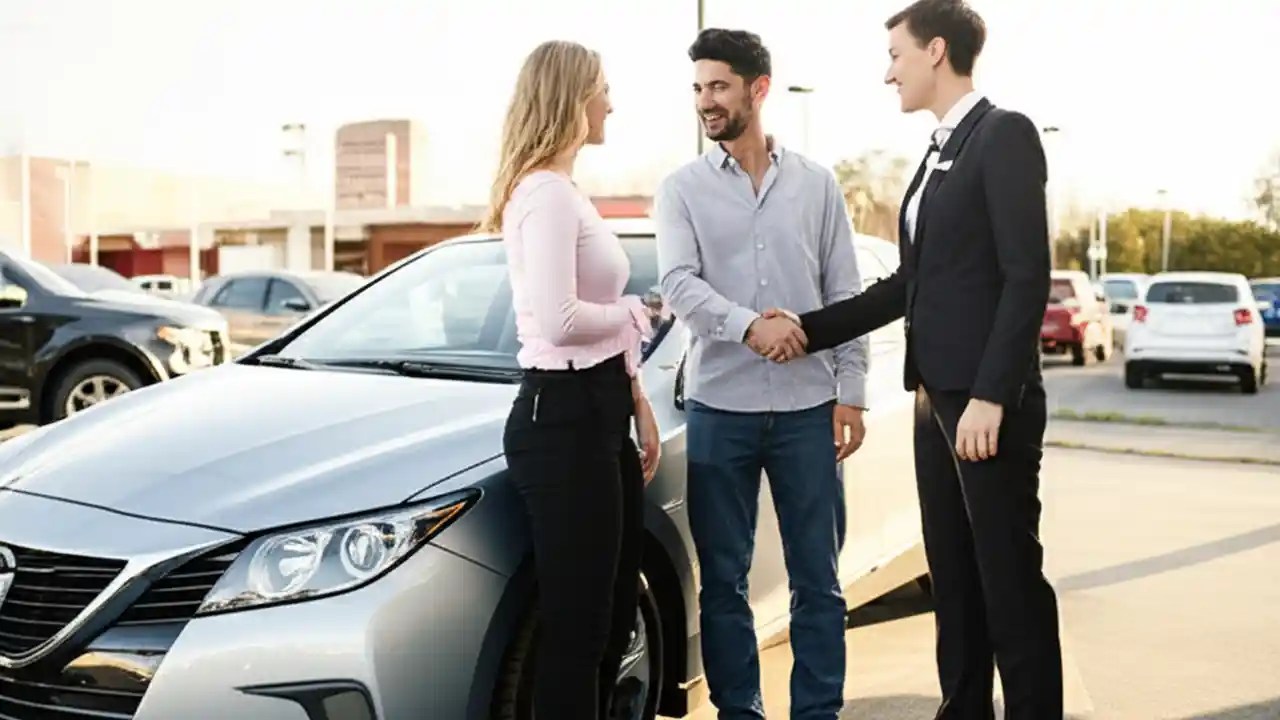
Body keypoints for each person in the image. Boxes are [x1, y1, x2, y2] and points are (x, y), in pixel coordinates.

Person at [770, 1, 1065, 717]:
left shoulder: (1005, 135)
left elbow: (1027, 275)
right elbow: (910, 285)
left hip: (986, 405)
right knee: (956, 580)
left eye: (896, 55)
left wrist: (993, 394)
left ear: (936, 51)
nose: (887, 72)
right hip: (936, 397)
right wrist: (803, 329)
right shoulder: (937, 153)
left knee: (1008, 580)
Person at [654, 28, 869, 720]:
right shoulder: (680, 190)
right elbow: (679, 284)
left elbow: (846, 294)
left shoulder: (818, 184)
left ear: (758, 89)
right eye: (697, 89)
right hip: (721, 410)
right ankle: (738, 712)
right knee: (722, 581)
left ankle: (817, 713)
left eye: (717, 86)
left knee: (819, 581)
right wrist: (753, 325)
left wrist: (852, 393)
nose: (705, 103)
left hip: (811, 408)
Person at [482, 39, 662, 720]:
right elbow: (559, 322)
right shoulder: (546, 195)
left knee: (613, 615)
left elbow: (588, 326)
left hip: (598, 409)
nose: (611, 101)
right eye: (603, 87)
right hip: (560, 421)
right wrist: (635, 313)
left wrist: (637, 397)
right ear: (571, 97)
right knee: (578, 629)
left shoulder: (564, 192)